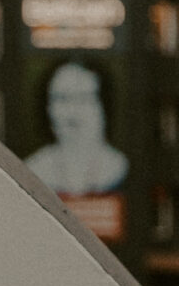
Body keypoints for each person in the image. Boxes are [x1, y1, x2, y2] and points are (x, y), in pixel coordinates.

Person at [25, 60, 130, 194]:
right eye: (62, 99)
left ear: (104, 105)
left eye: (84, 98)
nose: (72, 111)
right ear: (47, 107)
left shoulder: (120, 166)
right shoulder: (35, 167)